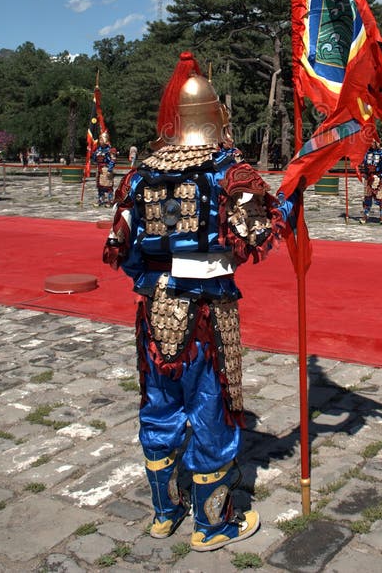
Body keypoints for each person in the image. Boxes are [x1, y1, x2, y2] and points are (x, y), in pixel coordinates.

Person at [102, 51, 301, 552]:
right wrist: (294, 197)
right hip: (206, 315)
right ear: (215, 115)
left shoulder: (140, 173)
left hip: (153, 311)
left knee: (159, 406)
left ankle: (166, 512)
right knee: (211, 409)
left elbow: (120, 248)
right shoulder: (227, 170)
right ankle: (213, 524)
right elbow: (258, 233)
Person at [358, 139, 382, 224]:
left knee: (381, 198)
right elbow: (362, 163)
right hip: (368, 178)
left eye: (373, 142)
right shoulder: (367, 152)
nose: (371, 144)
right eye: (370, 142)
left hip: (378, 178)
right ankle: (365, 215)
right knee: (367, 197)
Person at [92, 131, 117, 206]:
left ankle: (110, 200)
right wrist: (91, 153)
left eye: (102, 139)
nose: (100, 141)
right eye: (100, 140)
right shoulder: (98, 150)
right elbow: (94, 159)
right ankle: (101, 199)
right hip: (99, 169)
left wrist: (110, 169)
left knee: (108, 185)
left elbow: (113, 160)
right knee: (99, 186)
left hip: (106, 168)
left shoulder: (110, 150)